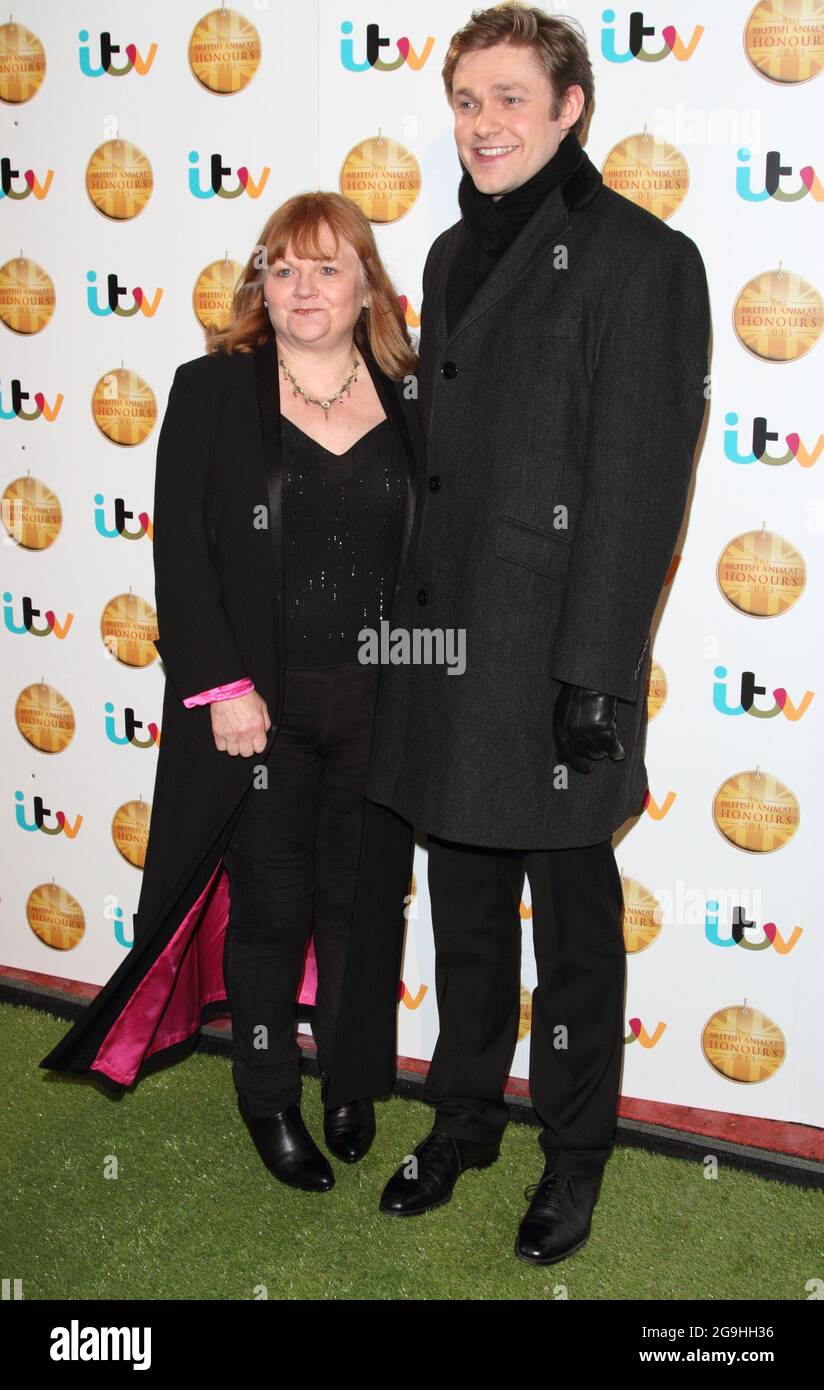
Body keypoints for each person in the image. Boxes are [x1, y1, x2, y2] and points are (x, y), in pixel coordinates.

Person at [326, 5, 711, 1262]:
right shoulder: (440, 255)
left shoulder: (642, 260)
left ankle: (575, 1153)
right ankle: (462, 1117)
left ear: (567, 108)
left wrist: (594, 668)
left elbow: (640, 481)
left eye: (506, 98)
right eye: (464, 100)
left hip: (555, 659)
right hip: (443, 651)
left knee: (576, 925)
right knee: (466, 909)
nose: (481, 123)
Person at [39, 193, 425, 1195]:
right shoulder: (212, 390)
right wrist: (222, 687)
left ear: (365, 288)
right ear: (263, 285)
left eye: (328, 268)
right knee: (267, 911)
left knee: (361, 908)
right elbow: (186, 555)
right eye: (283, 269)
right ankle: (268, 1095)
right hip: (260, 713)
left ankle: (349, 1082)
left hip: (382, 704)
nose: (304, 288)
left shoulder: (412, 393)